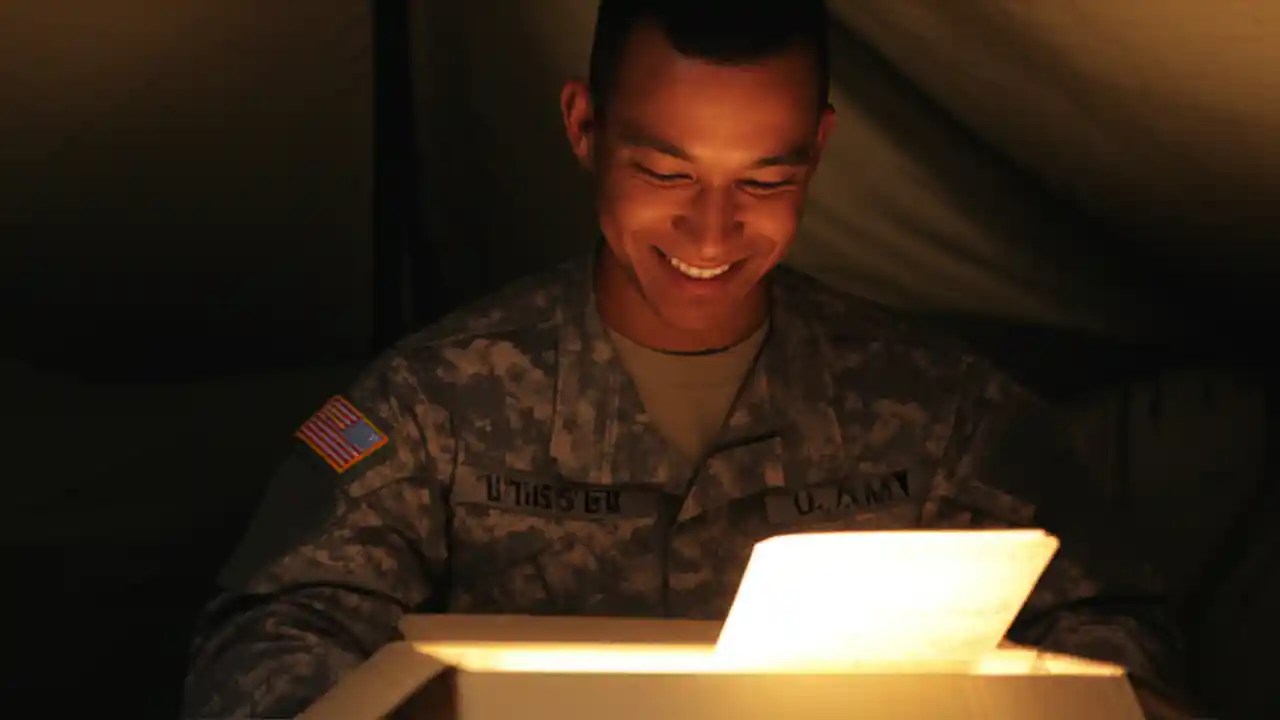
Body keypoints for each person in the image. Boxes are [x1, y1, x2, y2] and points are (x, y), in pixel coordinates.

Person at [181, 1, 1196, 717]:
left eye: (763, 179)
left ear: (818, 148)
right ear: (583, 126)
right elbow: (273, 639)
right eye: (664, 170)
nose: (711, 231)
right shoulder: (434, 407)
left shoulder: (941, 416)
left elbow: (1110, 644)